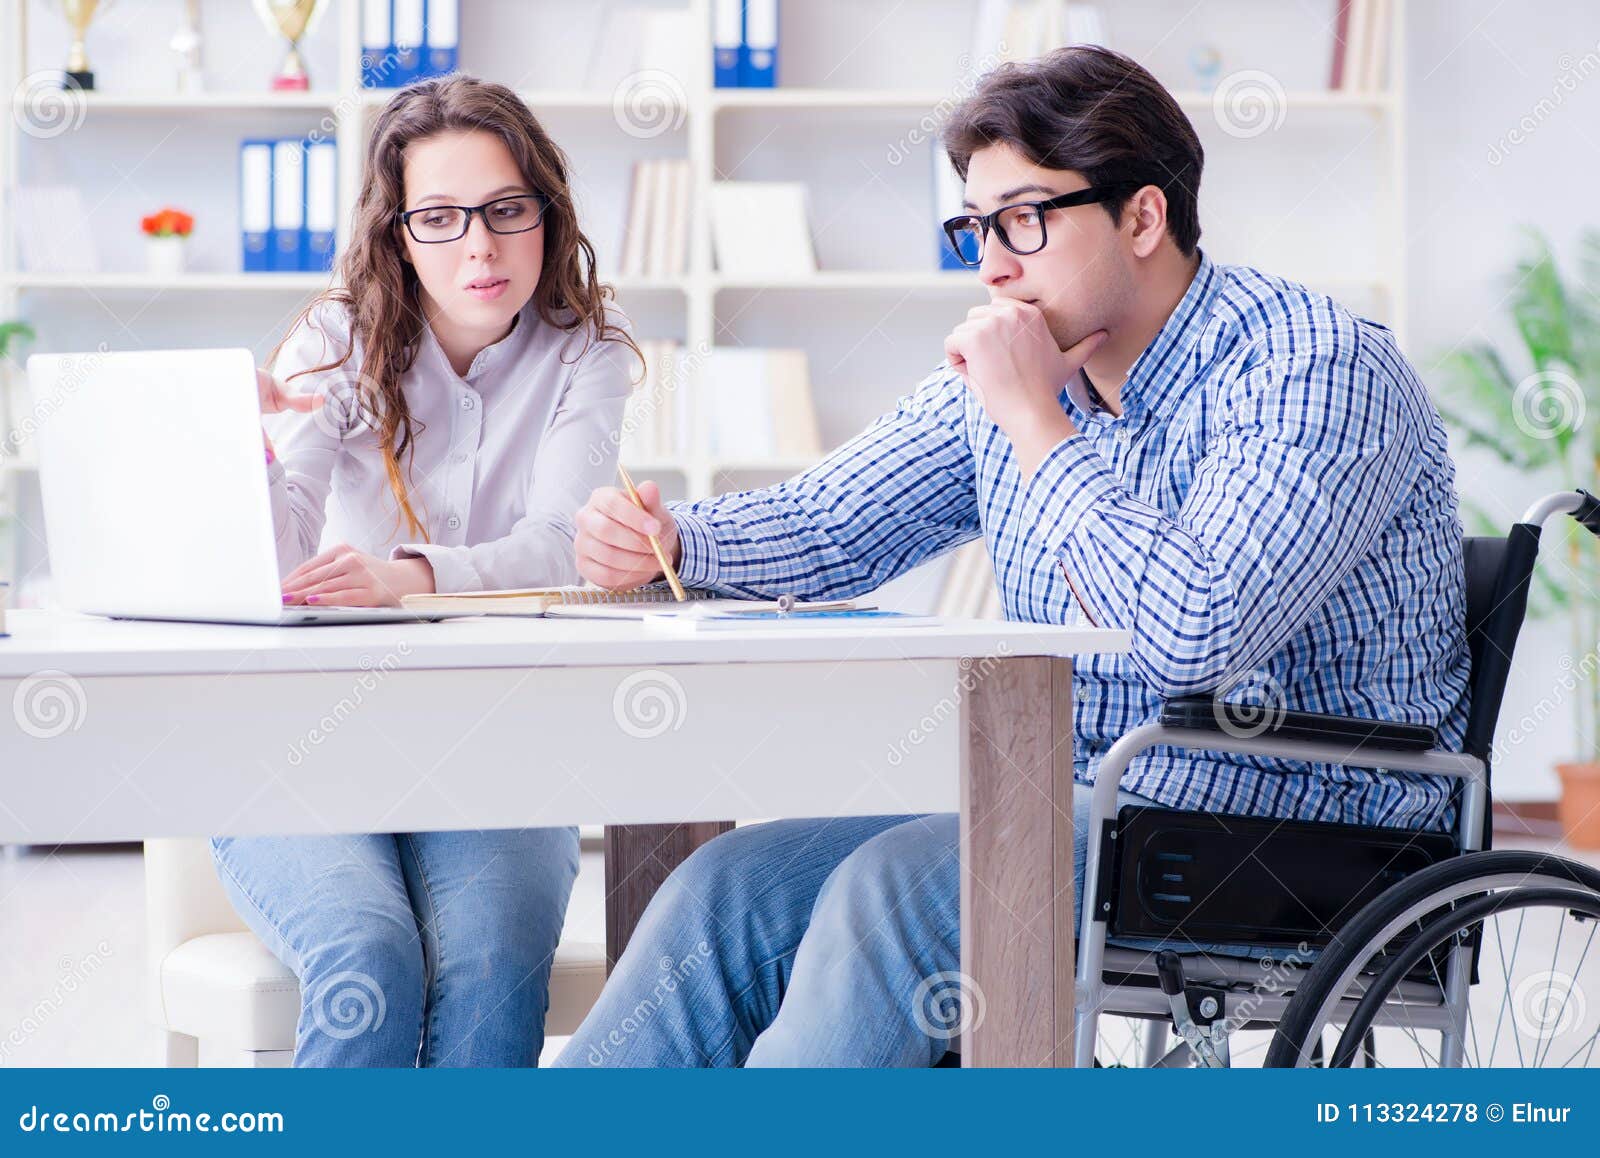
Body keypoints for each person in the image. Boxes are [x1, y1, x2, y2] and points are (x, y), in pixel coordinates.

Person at [556, 46, 1470, 1068]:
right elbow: (833, 524)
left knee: (899, 888)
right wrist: (672, 539)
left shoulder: (1316, 368)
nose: (990, 263)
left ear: (1141, 217)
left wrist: (1039, 425)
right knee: (725, 892)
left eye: (1023, 220)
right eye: (975, 228)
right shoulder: (1032, 364)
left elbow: (1193, 629)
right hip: (1093, 804)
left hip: (1305, 828)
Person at [211, 75, 638, 1067]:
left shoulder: (588, 354)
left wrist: (408, 576)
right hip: (305, 749)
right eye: (440, 218)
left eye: (504, 211)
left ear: (546, 213)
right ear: (399, 232)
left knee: (490, 967)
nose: (479, 247)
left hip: (497, 750)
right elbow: (273, 566)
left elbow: (563, 550)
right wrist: (255, 448)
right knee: (368, 953)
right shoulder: (335, 335)